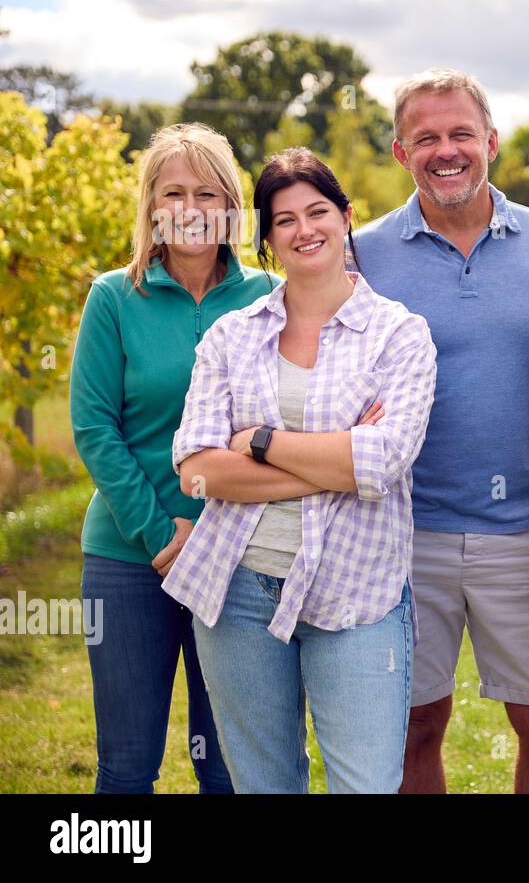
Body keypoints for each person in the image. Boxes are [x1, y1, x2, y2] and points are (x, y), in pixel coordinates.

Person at [162, 148, 436, 793]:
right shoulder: (231, 336)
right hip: (236, 590)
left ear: (346, 218)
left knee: (364, 784)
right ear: (267, 239)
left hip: (358, 590)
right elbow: (197, 470)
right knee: (263, 783)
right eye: (284, 220)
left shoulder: (399, 335)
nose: (304, 229)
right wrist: (337, 459)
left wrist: (257, 440)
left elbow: (386, 457)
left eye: (317, 212)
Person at [351, 69, 529, 794]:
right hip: (401, 531)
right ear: (400, 152)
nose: (445, 150)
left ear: (491, 141)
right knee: (412, 725)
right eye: (426, 138)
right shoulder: (366, 254)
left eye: (461, 134)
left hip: (526, 535)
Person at [69, 123, 275, 794]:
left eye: (209, 193)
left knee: (228, 769)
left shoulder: (269, 298)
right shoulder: (113, 298)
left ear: (232, 206)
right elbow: (95, 427)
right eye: (174, 192)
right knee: (126, 770)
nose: (191, 207)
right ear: (152, 205)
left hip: (241, 562)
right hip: (130, 559)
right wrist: (162, 538)